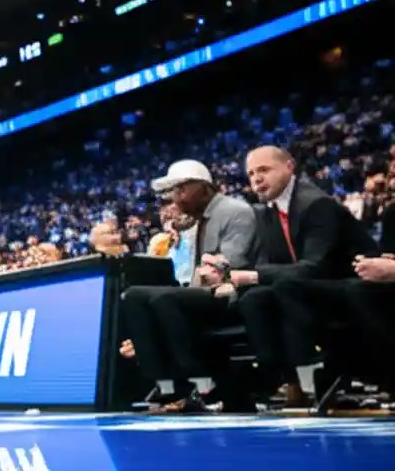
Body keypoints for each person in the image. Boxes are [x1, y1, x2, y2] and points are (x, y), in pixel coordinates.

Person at [234, 146, 377, 403]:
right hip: (304, 286)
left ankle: (321, 372)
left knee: (284, 287)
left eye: (264, 170)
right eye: (251, 173)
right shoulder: (268, 210)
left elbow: (314, 267)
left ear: (289, 167)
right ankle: (284, 380)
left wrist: (252, 275)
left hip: (350, 283)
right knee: (254, 299)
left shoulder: (316, 203)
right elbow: (276, 265)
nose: (256, 179)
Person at [118, 159, 257, 412]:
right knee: (134, 296)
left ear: (204, 187)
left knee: (165, 300)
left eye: (181, 189)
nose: (176, 198)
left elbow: (229, 266)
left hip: (233, 293)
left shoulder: (235, 211)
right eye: (173, 192)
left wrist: (212, 270)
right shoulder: (196, 221)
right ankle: (167, 384)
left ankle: (198, 383)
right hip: (204, 293)